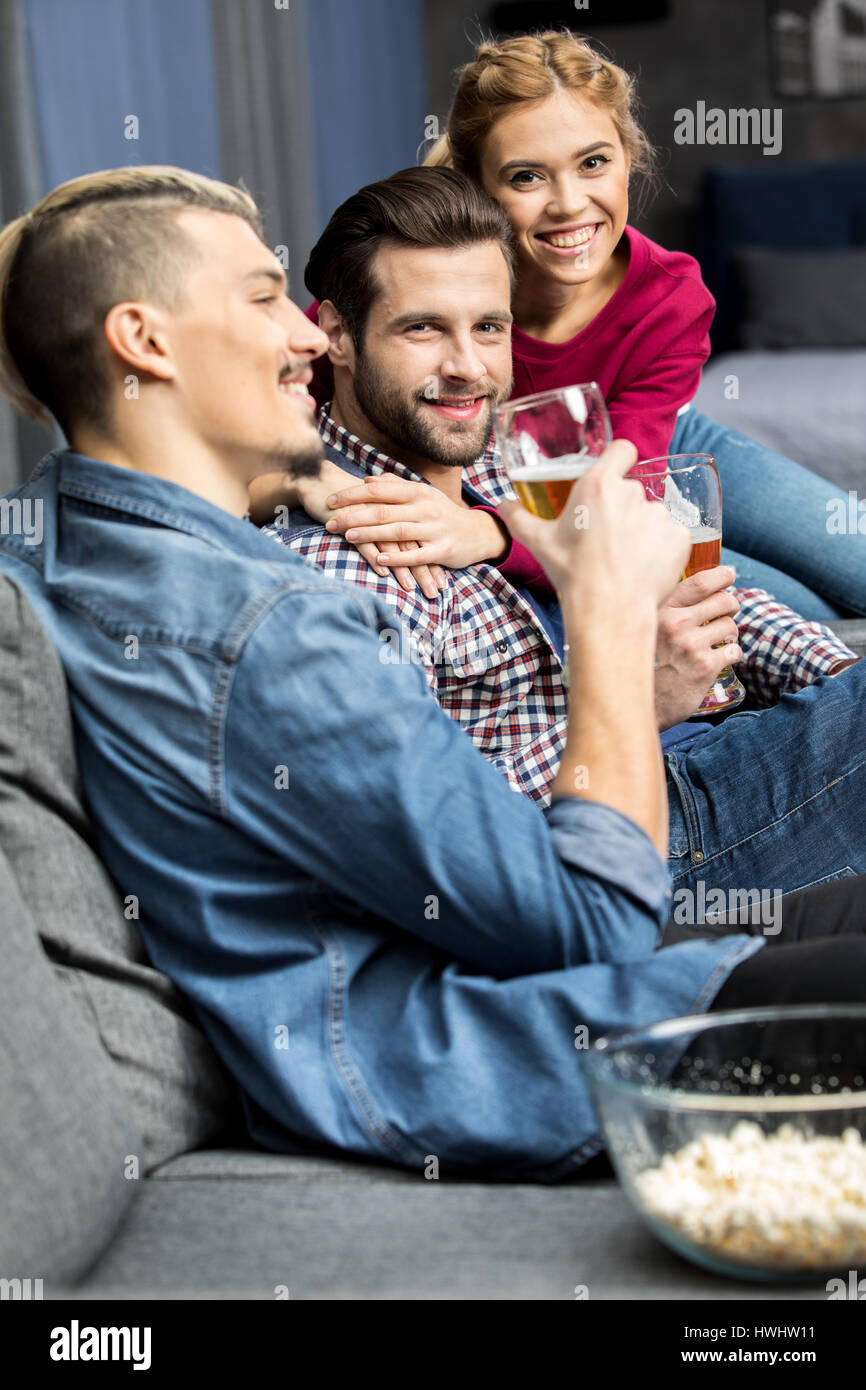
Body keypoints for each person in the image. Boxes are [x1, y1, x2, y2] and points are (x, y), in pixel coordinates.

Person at [1, 167, 865, 1184]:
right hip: (493, 1037)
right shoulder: (265, 623)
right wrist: (602, 607)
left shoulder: (73, 546)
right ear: (145, 341)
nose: (303, 337)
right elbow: (586, 923)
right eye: (260, 296)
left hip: (499, 965)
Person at [256, 166, 858, 816]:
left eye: (489, 327)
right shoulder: (343, 556)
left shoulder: (514, 459)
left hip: (709, 757)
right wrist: (638, 703)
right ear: (338, 337)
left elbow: (712, 600)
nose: (468, 368)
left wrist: (841, 680)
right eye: (423, 329)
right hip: (633, 837)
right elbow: (418, 828)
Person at [299, 30, 866, 622]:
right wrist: (306, 479)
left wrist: (489, 537)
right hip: (514, 483)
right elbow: (255, 425)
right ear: (477, 186)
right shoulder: (420, 293)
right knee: (802, 610)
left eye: (593, 162)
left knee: (856, 567)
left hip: (648, 449)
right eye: (526, 177)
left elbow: (611, 515)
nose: (570, 204)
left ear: (629, 156)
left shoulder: (668, 297)